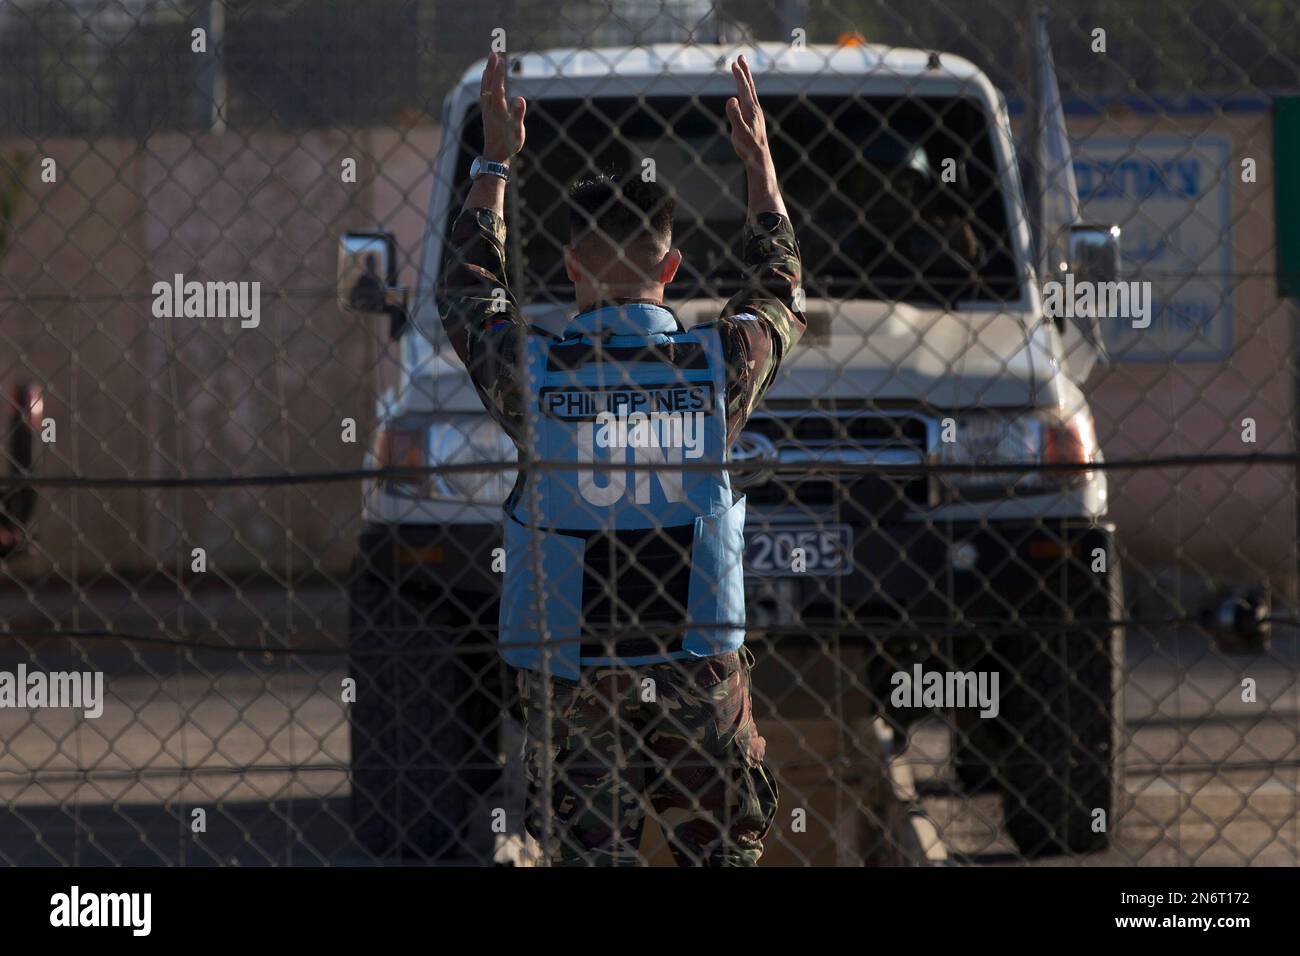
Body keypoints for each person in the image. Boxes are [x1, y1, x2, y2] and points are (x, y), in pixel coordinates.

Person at [438, 51, 805, 866]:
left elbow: (466, 292)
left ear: (569, 268)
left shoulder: (533, 374)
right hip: (695, 667)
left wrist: (495, 161)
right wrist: (760, 167)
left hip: (574, 670)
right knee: (720, 851)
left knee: (588, 849)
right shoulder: (717, 368)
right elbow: (780, 292)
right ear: (672, 269)